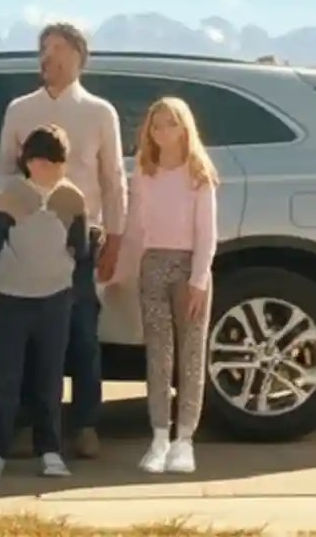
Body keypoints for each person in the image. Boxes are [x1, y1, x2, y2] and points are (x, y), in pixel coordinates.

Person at [0, 22, 128, 459]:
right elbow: (2, 170)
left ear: (77, 55)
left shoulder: (100, 112)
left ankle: (85, 424)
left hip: (82, 236)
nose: (47, 57)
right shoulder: (19, 109)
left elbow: (113, 179)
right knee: (32, 335)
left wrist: (116, 239)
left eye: (56, 48)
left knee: (82, 332)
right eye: (43, 49)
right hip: (29, 238)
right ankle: (30, 426)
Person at [0, 124, 90, 480]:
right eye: (37, 160)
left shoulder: (72, 199)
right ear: (27, 162)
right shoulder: (11, 196)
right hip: (10, 300)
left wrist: (73, 287)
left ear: (63, 164)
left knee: (50, 379)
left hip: (55, 300)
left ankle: (51, 451)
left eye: (53, 161)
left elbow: (81, 249)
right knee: (6, 378)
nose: (44, 168)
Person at [122, 96, 218, 474]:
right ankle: (159, 436)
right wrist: (121, 271)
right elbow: (135, 228)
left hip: (189, 267)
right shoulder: (144, 172)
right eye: (156, 125)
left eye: (170, 124)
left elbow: (206, 233)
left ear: (185, 129)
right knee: (158, 354)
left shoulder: (199, 174)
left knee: (190, 354)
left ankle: (185, 439)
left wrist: (198, 279)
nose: (163, 132)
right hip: (153, 265)